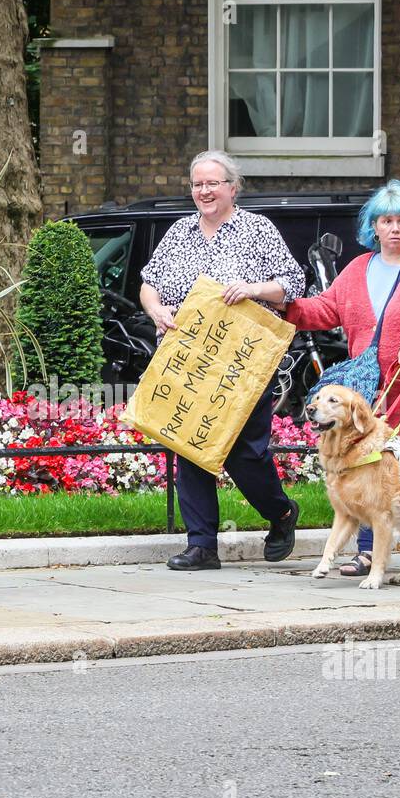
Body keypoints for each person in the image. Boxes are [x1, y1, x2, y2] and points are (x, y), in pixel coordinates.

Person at [139, 150, 304, 571]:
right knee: (189, 442)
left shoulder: (257, 230)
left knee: (244, 453)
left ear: (233, 187)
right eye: (198, 184)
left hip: (243, 362)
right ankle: (202, 545)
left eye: (213, 183)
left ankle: (281, 513)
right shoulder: (179, 233)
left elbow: (293, 283)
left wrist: (251, 288)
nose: (204, 191)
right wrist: (156, 310)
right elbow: (149, 283)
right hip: (189, 359)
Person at [286, 180, 400, 575]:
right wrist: (286, 305)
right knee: (370, 468)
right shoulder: (357, 270)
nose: (394, 228)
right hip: (368, 396)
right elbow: (324, 310)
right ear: (373, 227)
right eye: (386, 220)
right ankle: (367, 552)